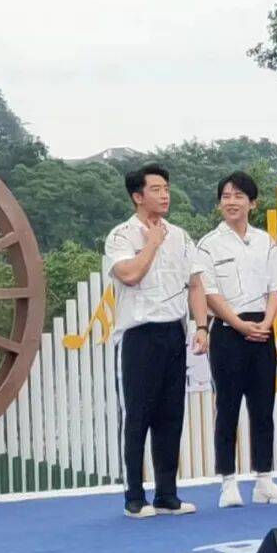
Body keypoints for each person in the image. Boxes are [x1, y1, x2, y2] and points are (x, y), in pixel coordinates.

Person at [104, 164, 208, 518]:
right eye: (156, 189)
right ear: (137, 196)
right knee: (137, 417)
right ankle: (134, 497)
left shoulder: (180, 236)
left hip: (173, 333)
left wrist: (202, 326)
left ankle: (167, 494)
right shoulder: (120, 236)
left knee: (170, 416)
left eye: (166, 188)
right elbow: (130, 274)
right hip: (138, 335)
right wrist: (151, 243)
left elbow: (196, 284)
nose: (165, 195)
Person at [197, 171, 277, 508]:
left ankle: (264, 480)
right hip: (228, 331)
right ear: (219, 204)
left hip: (262, 330)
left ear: (252, 203)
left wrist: (266, 322)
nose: (232, 202)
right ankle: (228, 482)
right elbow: (209, 293)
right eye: (226, 196)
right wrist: (239, 324)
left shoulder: (265, 241)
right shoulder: (208, 245)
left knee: (263, 408)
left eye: (239, 196)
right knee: (227, 408)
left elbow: (276, 287)